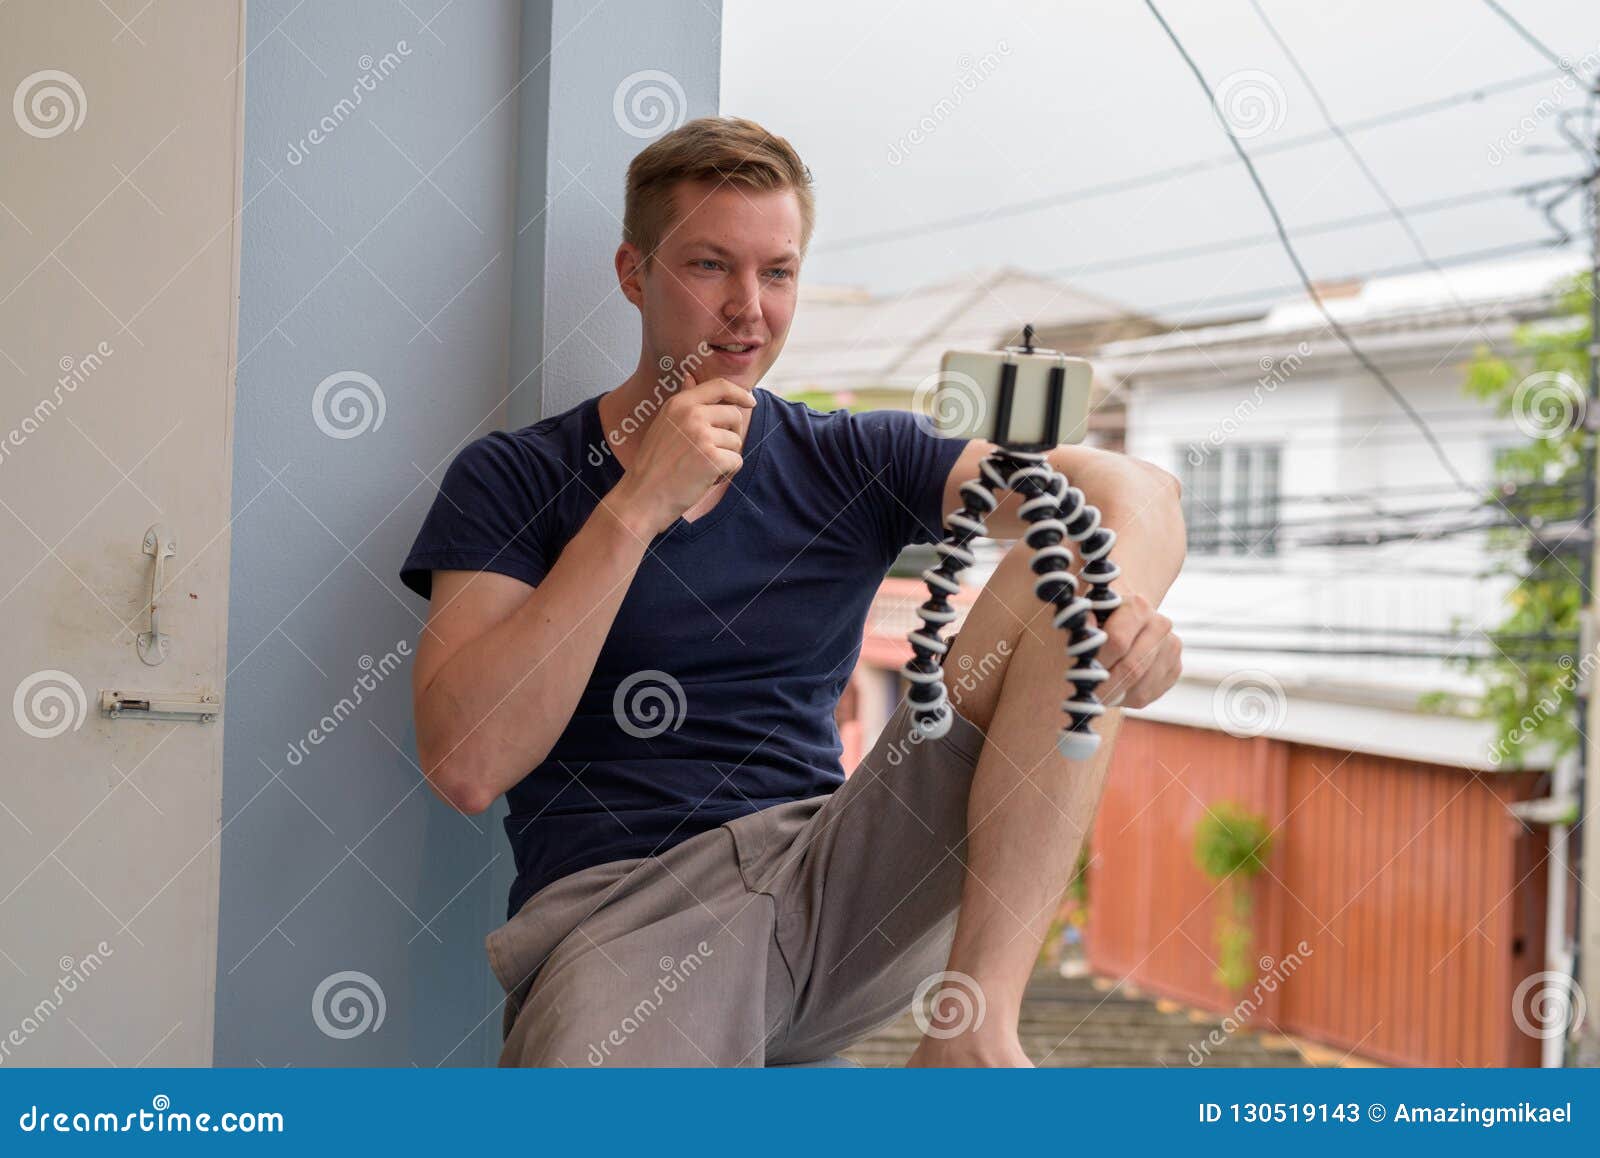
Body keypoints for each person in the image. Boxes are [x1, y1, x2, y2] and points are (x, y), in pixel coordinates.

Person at [398, 115, 1186, 1067]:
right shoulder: (514, 478)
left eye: (777, 273)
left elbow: (1137, 491)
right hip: (624, 913)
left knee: (1070, 553)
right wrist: (635, 508)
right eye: (708, 267)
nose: (749, 309)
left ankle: (972, 1031)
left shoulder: (849, 456)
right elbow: (468, 764)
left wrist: (1123, 613)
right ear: (633, 273)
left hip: (832, 875)